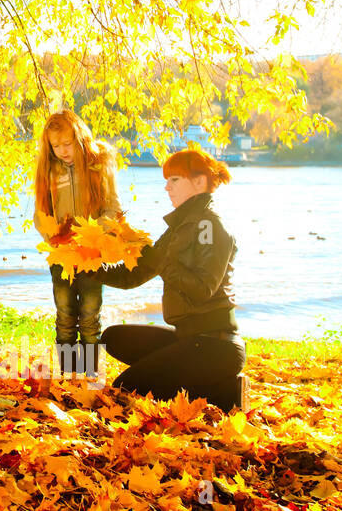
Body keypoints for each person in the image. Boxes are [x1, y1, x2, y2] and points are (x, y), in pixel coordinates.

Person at [94, 147, 247, 411]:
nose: (167, 187)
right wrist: (90, 269)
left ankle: (218, 387)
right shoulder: (178, 227)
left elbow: (202, 289)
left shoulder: (209, 226)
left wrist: (164, 262)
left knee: (124, 390)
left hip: (215, 345)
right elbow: (135, 275)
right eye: (166, 180)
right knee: (113, 337)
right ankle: (209, 386)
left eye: (174, 180)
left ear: (199, 182)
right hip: (188, 338)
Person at [33, 110, 121, 377]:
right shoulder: (48, 169)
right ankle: (70, 373)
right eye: (56, 146)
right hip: (62, 255)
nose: (62, 151)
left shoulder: (98, 163)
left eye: (67, 143)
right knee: (65, 315)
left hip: (92, 252)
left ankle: (91, 375)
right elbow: (40, 215)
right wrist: (54, 240)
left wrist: (93, 235)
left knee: (90, 314)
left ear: (80, 137)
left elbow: (112, 207)